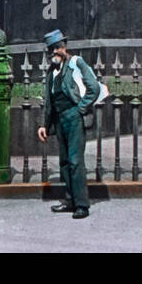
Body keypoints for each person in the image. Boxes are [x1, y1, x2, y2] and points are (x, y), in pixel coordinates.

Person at [36, 29, 100, 219]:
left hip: (73, 117)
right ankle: (70, 201)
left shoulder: (76, 63)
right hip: (59, 118)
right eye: (51, 49)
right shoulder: (52, 71)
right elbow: (49, 100)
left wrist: (80, 109)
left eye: (57, 47)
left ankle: (82, 205)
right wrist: (44, 125)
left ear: (64, 47)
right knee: (64, 162)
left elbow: (94, 88)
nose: (54, 52)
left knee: (75, 161)